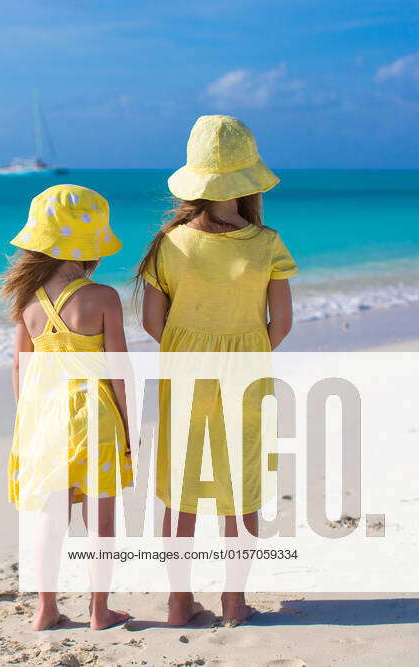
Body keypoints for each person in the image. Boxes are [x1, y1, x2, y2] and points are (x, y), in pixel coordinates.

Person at [135, 115, 297, 626]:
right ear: (247, 180)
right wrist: (244, 352)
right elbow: (283, 323)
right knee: (241, 489)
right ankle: (233, 601)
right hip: (247, 376)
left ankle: (179, 602)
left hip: (183, 374)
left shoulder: (170, 242)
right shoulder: (266, 242)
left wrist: (191, 351)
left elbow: (150, 321)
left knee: (181, 492)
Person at [0, 184, 134, 631]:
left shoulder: (26, 301)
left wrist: (27, 425)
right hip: (94, 417)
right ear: (91, 244)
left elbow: (20, 369)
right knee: (101, 520)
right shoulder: (102, 298)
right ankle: (99, 611)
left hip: (44, 419)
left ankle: (46, 608)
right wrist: (131, 429)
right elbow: (120, 372)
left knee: (50, 520)